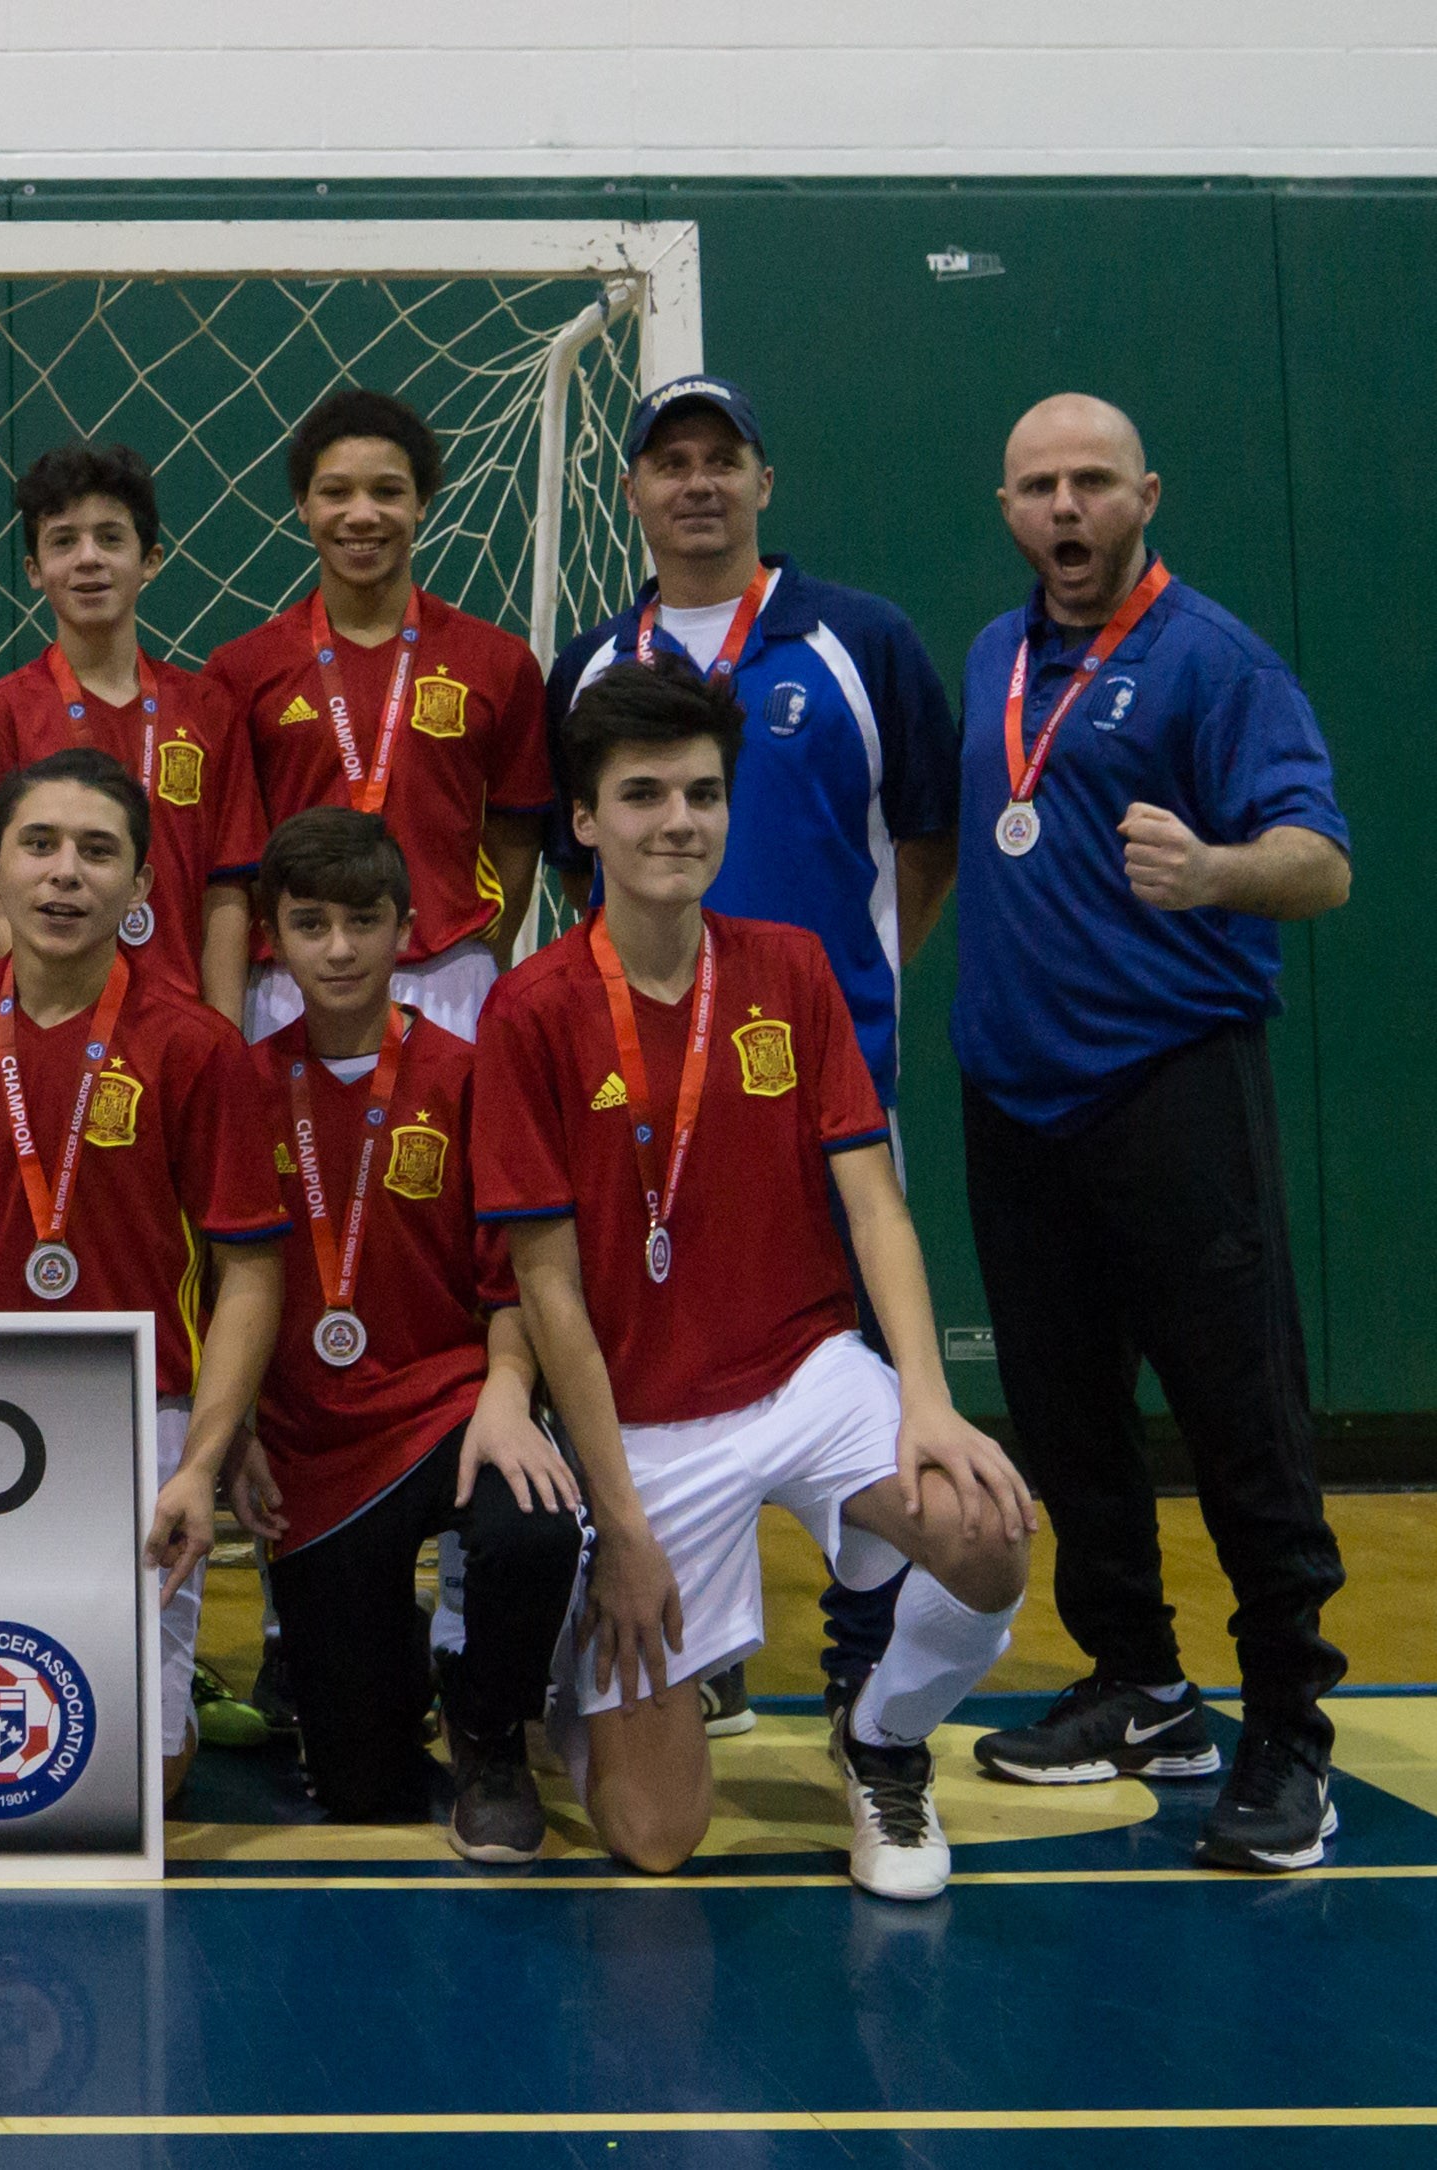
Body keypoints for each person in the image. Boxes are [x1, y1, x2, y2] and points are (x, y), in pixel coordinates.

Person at [473, 655, 1034, 1900]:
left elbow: (875, 1204)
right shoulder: (528, 1011)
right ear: (584, 820)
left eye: (704, 793)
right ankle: (585, 1660)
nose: (679, 820)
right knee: (658, 1836)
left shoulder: (789, 967)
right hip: (648, 1424)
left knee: (989, 1532)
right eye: (643, 795)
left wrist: (927, 1400)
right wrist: (620, 1526)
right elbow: (548, 1289)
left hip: (804, 1371)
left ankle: (883, 1742)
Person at [952, 394, 1354, 1873]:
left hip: (1170, 1091)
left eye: (1091, 484)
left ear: (1144, 496)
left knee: (1239, 1421)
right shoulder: (996, 656)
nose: (1063, 509)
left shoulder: (1213, 661)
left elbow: (1319, 865)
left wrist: (1215, 867)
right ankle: (1139, 1685)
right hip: (1014, 1108)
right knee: (1066, 1421)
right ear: (1003, 505)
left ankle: (1286, 1732)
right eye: (1037, 486)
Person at [548, 374, 965, 1736]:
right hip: (648, 1098)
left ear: (760, 480)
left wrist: (847, 985)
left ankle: (861, 1671)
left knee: (845, 1365)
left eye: (720, 458)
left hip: (821, 1082)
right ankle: (701, 1646)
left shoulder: (859, 638)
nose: (695, 483)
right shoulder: (592, 666)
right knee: (669, 1351)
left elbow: (922, 839)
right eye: (667, 462)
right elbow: (580, 878)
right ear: (631, 494)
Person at [0, 747, 286, 1801]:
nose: (65, 873)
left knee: (137, 1783)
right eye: (39, 844)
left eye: (96, 851)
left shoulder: (198, 1046)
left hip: (144, 1414)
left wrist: (203, 1461)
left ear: (139, 886)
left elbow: (248, 1275)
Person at [228, 807, 585, 1860]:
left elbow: (514, 1272)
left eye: (363, 920)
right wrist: (236, 1431)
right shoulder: (240, 1086)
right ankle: (391, 1685)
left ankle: (489, 1730)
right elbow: (208, 1282)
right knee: (363, 1789)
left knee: (535, 1516)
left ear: (406, 926)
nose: (339, 948)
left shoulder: (474, 1073)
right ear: (273, 937)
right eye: (310, 923)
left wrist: (509, 1396)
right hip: (306, 1443)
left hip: (445, 1406)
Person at [205, 387, 551, 1040]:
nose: (361, 515)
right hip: (289, 977)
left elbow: (516, 834)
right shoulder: (239, 671)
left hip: (448, 971)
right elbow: (229, 860)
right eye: (335, 493)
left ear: (421, 503)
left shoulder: (498, 662)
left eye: (387, 492)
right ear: (302, 506)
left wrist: (479, 951)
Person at [0, 440, 262, 1020]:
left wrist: (220, 1032)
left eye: (110, 538)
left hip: (181, 1031)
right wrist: (61, 1012)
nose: (88, 559)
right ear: (34, 572)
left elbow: (226, 894)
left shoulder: (210, 710)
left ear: (152, 560)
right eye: (64, 541)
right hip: (53, 1026)